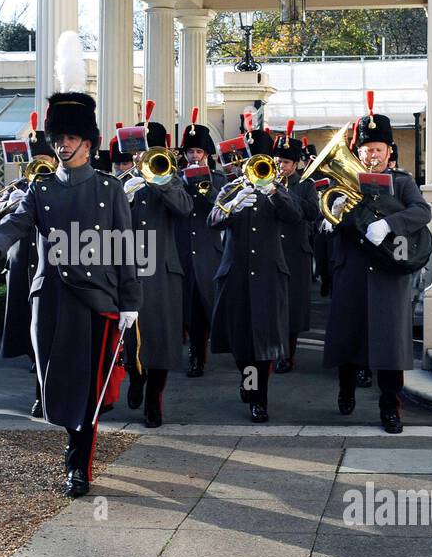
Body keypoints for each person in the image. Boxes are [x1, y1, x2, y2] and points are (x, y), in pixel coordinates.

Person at [0, 33, 140, 497]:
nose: (62, 145)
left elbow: (124, 247)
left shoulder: (109, 189)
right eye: (58, 137)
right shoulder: (41, 189)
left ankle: (78, 463)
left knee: (86, 390)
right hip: (51, 300)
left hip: (95, 300)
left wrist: (131, 301)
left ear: (88, 141)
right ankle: (74, 444)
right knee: (55, 382)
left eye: (70, 137)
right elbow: (15, 222)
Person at [321, 106, 431, 434]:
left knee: (389, 346)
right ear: (358, 151)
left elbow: (422, 212)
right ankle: (346, 388)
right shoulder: (342, 181)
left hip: (388, 272)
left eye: (378, 149)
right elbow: (323, 219)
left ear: (389, 151)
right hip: (352, 269)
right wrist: (330, 220)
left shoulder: (401, 182)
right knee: (348, 335)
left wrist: (389, 224)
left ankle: (390, 408)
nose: (372, 155)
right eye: (367, 149)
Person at [208, 120, 301, 423]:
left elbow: (295, 216)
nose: (254, 165)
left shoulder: (279, 190)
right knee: (240, 339)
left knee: (263, 338)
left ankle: (258, 398)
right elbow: (213, 220)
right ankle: (247, 380)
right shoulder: (231, 187)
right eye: (250, 160)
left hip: (267, 274)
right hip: (235, 274)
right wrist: (232, 206)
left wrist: (273, 190)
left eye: (259, 160)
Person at [119, 111, 193, 427]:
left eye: (145, 152)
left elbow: (185, 208)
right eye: (136, 153)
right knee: (132, 339)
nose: (139, 158)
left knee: (161, 340)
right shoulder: (121, 183)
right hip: (130, 270)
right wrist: (122, 196)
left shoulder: (171, 180)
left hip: (163, 271)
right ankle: (136, 378)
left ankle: (154, 401)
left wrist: (160, 182)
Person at [0, 118, 56, 418]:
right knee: (30, 338)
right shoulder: (18, 186)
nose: (41, 164)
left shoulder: (58, 186)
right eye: (37, 160)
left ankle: (45, 395)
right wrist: (11, 203)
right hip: (21, 271)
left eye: (46, 160)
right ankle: (40, 390)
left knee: (50, 339)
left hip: (49, 269)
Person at [174, 108, 226, 378]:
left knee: (207, 306)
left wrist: (205, 185)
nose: (194, 156)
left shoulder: (217, 179)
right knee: (188, 307)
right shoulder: (174, 179)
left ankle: (205, 351)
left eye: (199, 152)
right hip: (182, 249)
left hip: (208, 251)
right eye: (190, 152)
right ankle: (194, 355)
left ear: (207, 154)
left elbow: (222, 207)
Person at [273, 122, 320, 373]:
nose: (281, 167)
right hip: (273, 249)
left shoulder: (306, 185)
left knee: (291, 306)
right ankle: (273, 350)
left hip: (296, 251)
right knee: (273, 304)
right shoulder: (267, 183)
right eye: (278, 162)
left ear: (296, 164)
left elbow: (312, 212)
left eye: (286, 163)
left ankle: (287, 354)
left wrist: (285, 194)